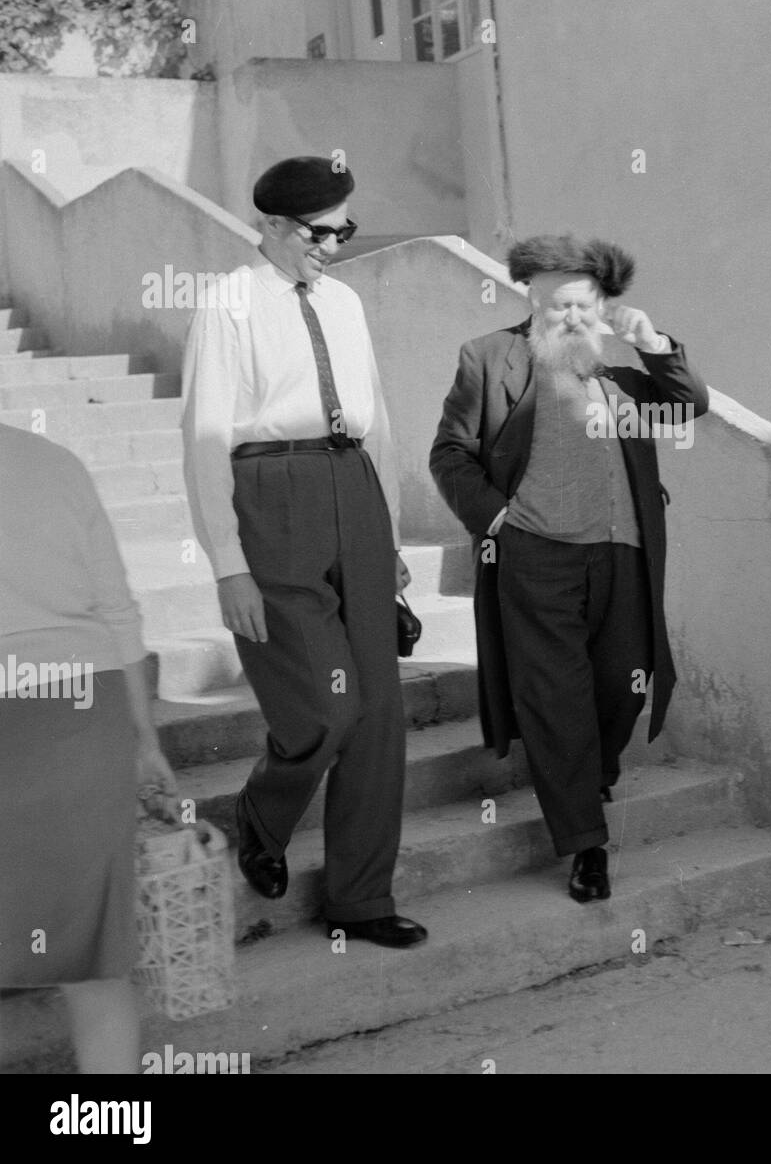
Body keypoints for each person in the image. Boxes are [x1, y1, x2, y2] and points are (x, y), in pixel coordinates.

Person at [181, 156, 425, 949]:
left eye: (343, 231)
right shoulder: (228, 302)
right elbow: (204, 437)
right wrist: (227, 563)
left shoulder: (346, 302)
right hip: (272, 495)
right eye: (320, 234)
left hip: (354, 488)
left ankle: (361, 899)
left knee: (378, 714)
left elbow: (377, 419)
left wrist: (388, 536)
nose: (333, 247)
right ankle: (264, 808)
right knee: (326, 706)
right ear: (274, 226)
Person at [430, 234, 708, 901]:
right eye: (558, 304)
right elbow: (450, 453)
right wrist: (498, 519)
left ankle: (591, 774)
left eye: (585, 305)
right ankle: (587, 844)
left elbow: (687, 407)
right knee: (556, 701)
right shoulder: (489, 358)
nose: (572, 317)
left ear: (603, 305)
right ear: (531, 296)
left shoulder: (621, 372)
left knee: (623, 685)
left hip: (623, 552)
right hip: (536, 556)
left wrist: (652, 342)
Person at [0, 423, 179, 1072]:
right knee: (96, 965)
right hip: (84, 711)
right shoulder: (57, 462)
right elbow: (118, 610)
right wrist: (145, 740)